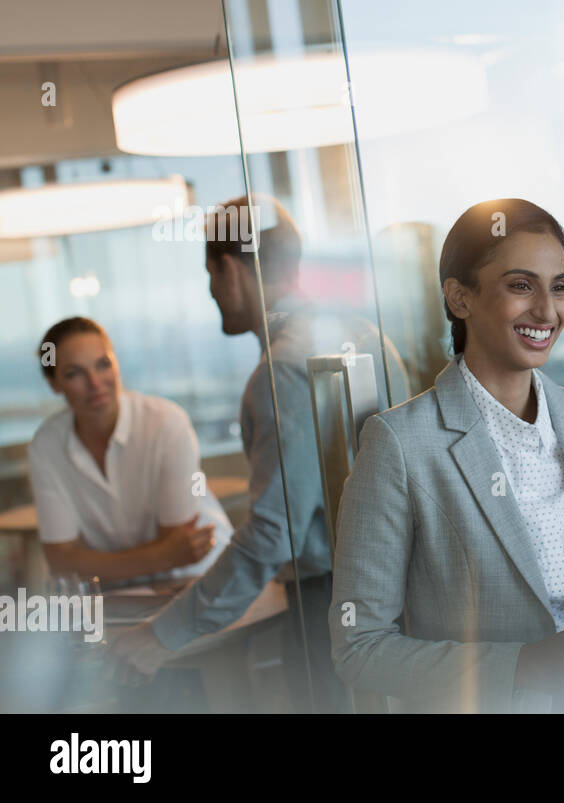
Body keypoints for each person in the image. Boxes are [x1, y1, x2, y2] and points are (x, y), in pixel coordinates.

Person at [109, 195, 409, 713]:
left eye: (209, 275)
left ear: (227, 270)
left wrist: (159, 636)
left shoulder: (278, 373)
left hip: (328, 610)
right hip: (401, 594)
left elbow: (274, 533)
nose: (212, 292)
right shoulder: (367, 336)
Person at [329, 198, 564, 713]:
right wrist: (526, 664)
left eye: (560, 286)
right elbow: (359, 645)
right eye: (521, 285)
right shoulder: (399, 445)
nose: (548, 310)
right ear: (460, 298)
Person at [27, 316, 231, 585]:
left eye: (103, 365)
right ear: (54, 383)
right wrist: (165, 555)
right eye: (74, 373)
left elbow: (182, 542)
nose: (95, 383)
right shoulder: (46, 446)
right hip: (124, 594)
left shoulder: (166, 422)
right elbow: (61, 560)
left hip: (202, 578)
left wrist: (94, 564)